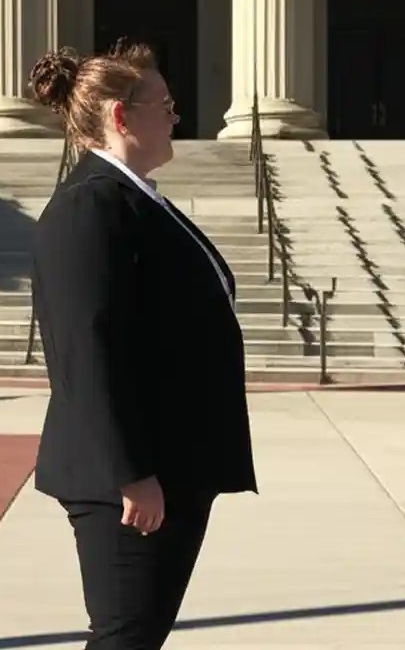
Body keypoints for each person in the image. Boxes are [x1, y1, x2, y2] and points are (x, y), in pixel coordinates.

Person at [26, 41, 258, 649]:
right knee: (124, 638)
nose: (177, 115)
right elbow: (86, 353)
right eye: (166, 104)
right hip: (128, 483)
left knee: (135, 637)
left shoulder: (136, 199)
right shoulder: (90, 208)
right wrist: (131, 474)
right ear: (121, 117)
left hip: (170, 467)